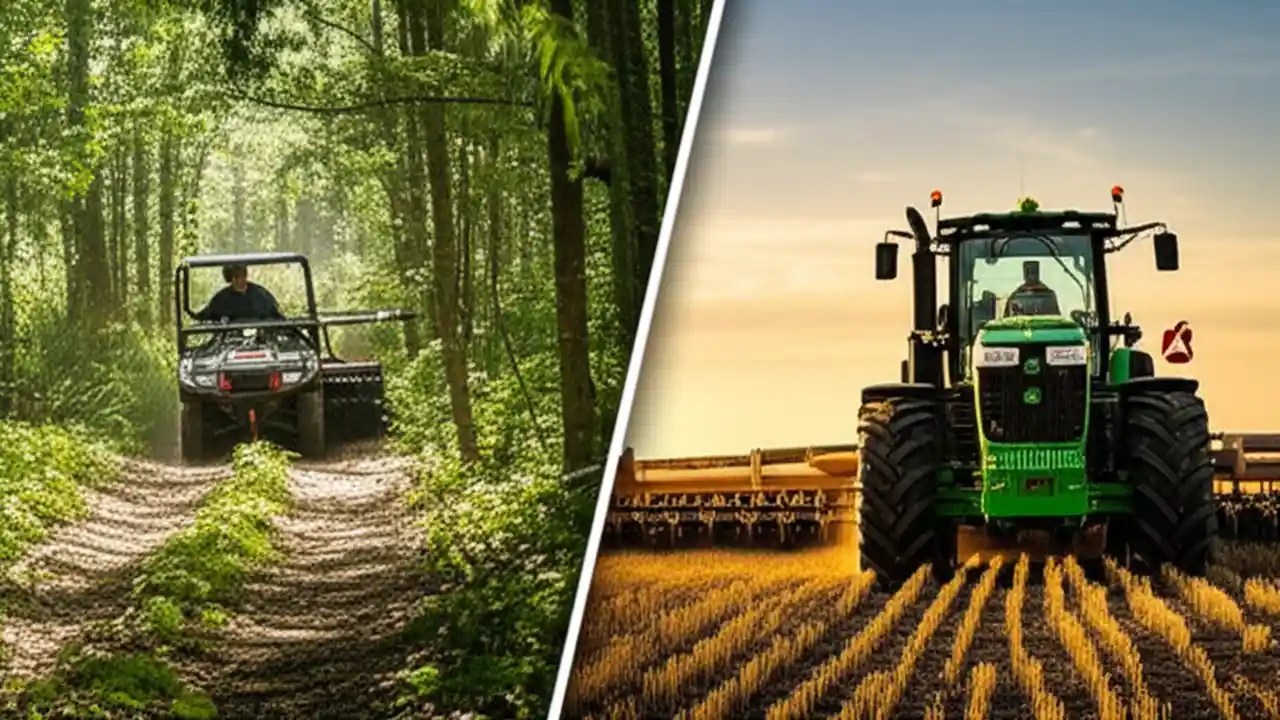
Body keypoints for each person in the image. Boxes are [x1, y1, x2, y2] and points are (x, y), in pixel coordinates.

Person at [193, 263, 285, 322]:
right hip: (230, 340)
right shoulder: (221, 298)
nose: (235, 280)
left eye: (237, 276)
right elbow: (208, 315)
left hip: (260, 338)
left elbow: (276, 315)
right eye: (231, 277)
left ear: (245, 275)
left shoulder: (261, 295)